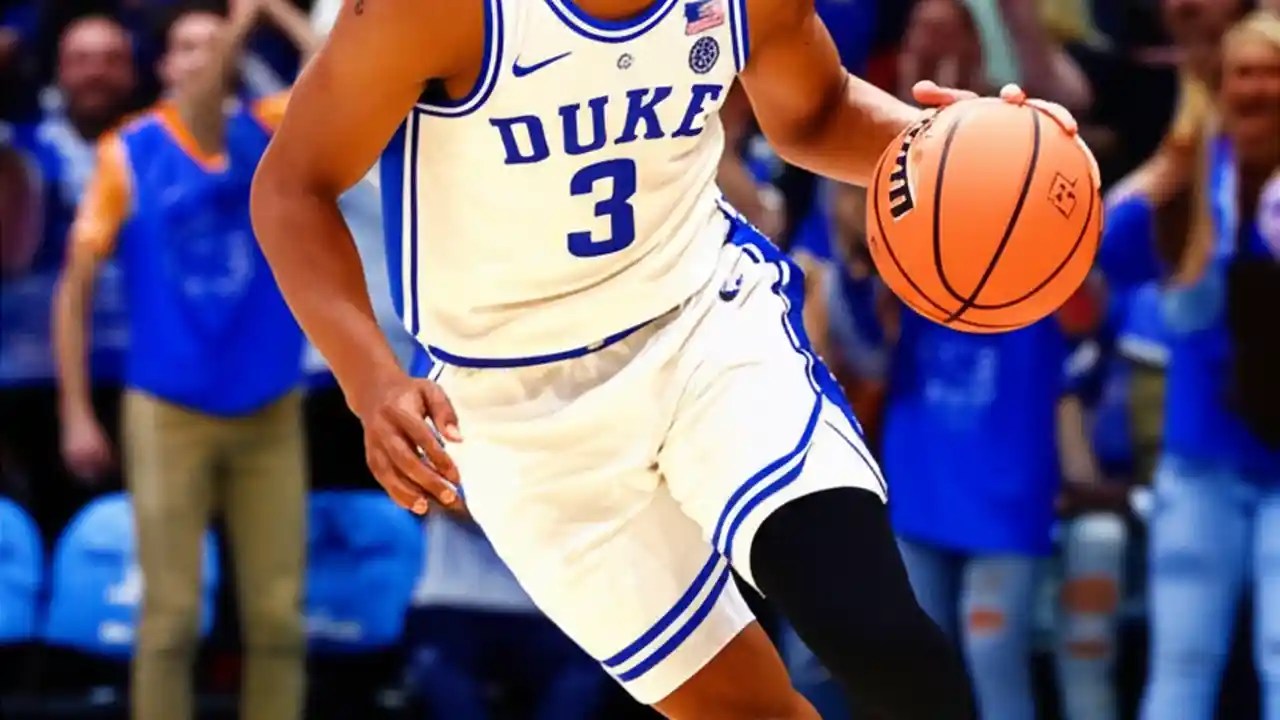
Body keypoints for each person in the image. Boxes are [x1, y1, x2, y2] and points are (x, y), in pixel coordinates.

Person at [249, 0, 1080, 716]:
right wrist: (370, 378)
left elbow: (814, 113)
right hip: (513, 408)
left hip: (702, 329)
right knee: (748, 711)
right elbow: (293, 186)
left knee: (878, 638)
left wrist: (953, 151)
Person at [51, 2, 316, 719]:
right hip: (168, 406)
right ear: (163, 68)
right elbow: (72, 292)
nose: (207, 57)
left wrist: (277, 16)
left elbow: (334, 78)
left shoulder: (268, 127)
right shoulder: (126, 150)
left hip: (269, 399)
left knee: (279, 618)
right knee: (168, 620)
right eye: (188, 47)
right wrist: (75, 409)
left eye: (215, 44)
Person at [1138, 11, 1280, 720]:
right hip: (1201, 458)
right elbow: (1097, 244)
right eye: (1243, 73)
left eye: (1273, 71)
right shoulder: (1194, 170)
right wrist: (1171, 167)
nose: (1257, 89)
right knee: (1183, 663)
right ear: (1220, 86)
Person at [1, 15, 135, 546]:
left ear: (133, 72)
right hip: (27, 378)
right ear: (58, 72)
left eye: (110, 60)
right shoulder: (22, 151)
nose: (95, 73)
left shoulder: (159, 148)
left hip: (138, 375)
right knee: (32, 539)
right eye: (81, 60)